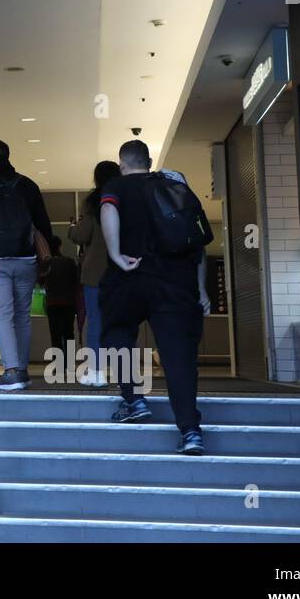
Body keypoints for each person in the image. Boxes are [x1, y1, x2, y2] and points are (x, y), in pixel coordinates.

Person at [99, 139, 212, 456]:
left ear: (122, 163)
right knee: (178, 357)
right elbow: (196, 241)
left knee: (118, 332)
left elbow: (108, 209)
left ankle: (134, 399)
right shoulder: (173, 184)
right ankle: (190, 431)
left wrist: (116, 254)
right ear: (149, 161)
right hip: (175, 281)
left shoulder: (117, 185)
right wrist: (201, 289)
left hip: (130, 275)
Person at [0, 139, 54, 391]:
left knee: (3, 315)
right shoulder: (27, 185)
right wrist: (45, 255)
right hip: (27, 258)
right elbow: (43, 223)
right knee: (22, 316)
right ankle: (23, 369)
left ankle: (12, 371)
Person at [68, 160, 121, 387]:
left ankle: (97, 372)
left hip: (96, 273)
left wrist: (71, 227)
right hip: (123, 271)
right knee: (122, 322)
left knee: (96, 322)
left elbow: (81, 235)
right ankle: (124, 374)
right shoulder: (125, 197)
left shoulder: (93, 202)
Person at [41, 236, 80, 377]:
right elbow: (76, 280)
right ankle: (70, 366)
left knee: (56, 335)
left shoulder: (47, 264)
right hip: (68, 303)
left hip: (52, 304)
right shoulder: (69, 262)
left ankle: (58, 366)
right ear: (60, 246)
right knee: (68, 334)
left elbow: (41, 280)